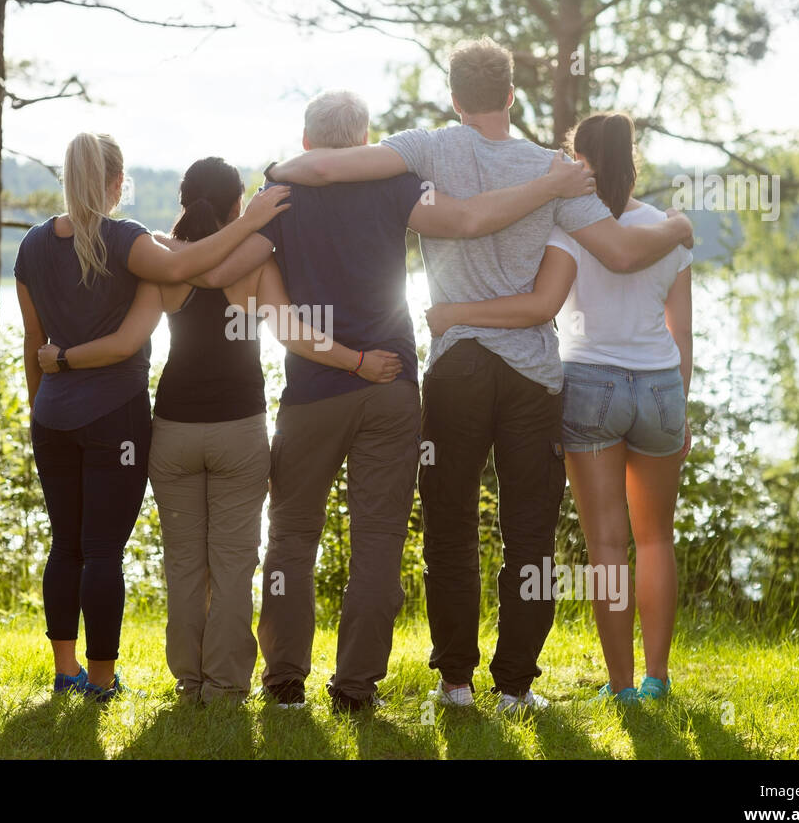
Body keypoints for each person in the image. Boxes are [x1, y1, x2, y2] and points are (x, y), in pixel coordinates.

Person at [267, 39, 694, 712]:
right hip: (532, 374)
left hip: (458, 364)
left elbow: (329, 168)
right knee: (530, 533)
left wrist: (283, 167)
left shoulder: (429, 147)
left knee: (450, 526)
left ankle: (456, 682)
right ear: (513, 97)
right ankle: (517, 686)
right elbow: (616, 251)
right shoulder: (551, 167)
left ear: (454, 98)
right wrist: (675, 229)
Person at [198, 89, 599, 713]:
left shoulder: (281, 200)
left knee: (291, 539)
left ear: (307, 145)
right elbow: (470, 220)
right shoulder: (398, 187)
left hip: (310, 393)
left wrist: (250, 219)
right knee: (379, 542)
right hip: (389, 385)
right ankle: (355, 689)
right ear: (367, 144)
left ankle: (284, 684)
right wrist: (548, 188)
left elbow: (217, 276)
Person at [39, 156, 400, 704]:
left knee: (184, 563)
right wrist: (357, 362)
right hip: (239, 429)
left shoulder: (165, 263)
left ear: (185, 201)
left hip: (173, 430)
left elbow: (131, 336)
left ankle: (189, 682)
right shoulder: (255, 263)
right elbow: (292, 333)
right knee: (234, 565)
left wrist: (62, 357)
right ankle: (226, 686)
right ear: (239, 206)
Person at [427, 112, 693, 705]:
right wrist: (682, 406)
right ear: (634, 157)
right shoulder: (667, 232)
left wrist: (454, 313)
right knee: (656, 539)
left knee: (605, 542)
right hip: (660, 387)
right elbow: (683, 336)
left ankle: (621, 685)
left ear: (581, 161)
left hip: (591, 384)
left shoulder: (569, 222)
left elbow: (542, 303)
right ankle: (657, 678)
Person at [15, 132, 288, 702]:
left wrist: (50, 382)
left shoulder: (57, 248)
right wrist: (261, 224)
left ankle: (118, 675)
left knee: (98, 550)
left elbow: (40, 340)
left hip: (109, 421)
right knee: (154, 556)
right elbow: (184, 291)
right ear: (117, 183)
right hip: (169, 421)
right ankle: (161, 681)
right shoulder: (143, 243)